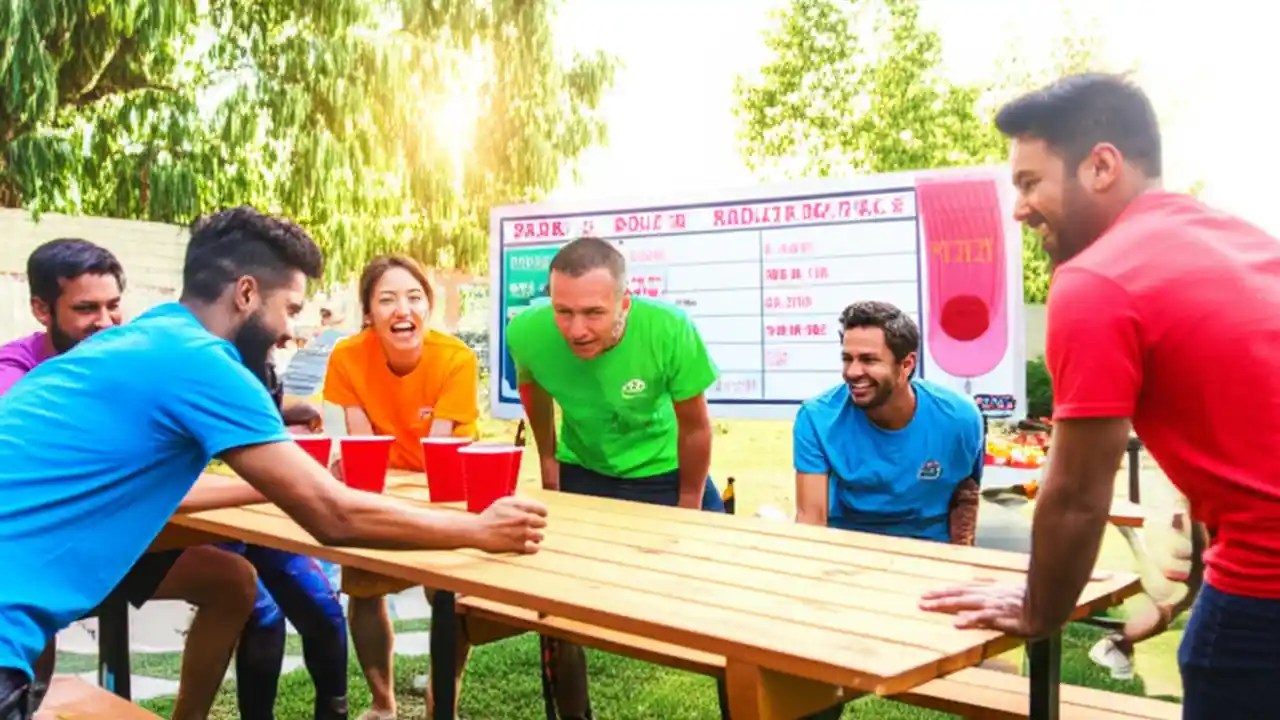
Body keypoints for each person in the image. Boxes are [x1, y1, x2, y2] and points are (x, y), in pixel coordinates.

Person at [0, 207, 548, 720]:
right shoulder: (202, 362)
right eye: (289, 308)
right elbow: (331, 515)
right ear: (246, 294)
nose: (290, 330)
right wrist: (479, 529)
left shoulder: (136, 342)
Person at [917, 73, 1280, 719]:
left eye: (1030, 182)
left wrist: (1038, 608)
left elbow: (1079, 494)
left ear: (1102, 166)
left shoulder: (1098, 278)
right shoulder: (1244, 242)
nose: (1019, 208)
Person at [0, 238, 264, 719]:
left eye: (113, 305)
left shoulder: (130, 355)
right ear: (41, 309)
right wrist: (276, 486)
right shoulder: (17, 374)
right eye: (85, 308)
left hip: (113, 546)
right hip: (47, 554)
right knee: (33, 601)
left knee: (232, 579)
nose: (103, 320)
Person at [509, 236, 719, 720]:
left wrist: (689, 507)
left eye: (593, 314)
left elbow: (695, 425)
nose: (576, 329)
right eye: (563, 311)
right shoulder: (528, 332)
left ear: (625, 302)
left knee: (722, 605)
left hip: (666, 473)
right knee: (557, 609)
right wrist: (548, 460)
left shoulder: (669, 328)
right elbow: (532, 388)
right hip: (584, 471)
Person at [792, 300, 982, 720]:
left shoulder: (960, 417)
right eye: (846, 358)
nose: (852, 372)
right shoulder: (817, 417)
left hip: (927, 563)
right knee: (778, 665)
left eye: (868, 359)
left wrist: (963, 565)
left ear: (906, 364)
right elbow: (811, 522)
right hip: (846, 562)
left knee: (1000, 668)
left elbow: (965, 497)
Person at [321, 254, 481, 720]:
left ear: (428, 308)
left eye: (414, 298)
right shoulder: (348, 356)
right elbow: (361, 446)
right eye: (387, 300)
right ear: (369, 313)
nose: (402, 310)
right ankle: (382, 703)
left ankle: (441, 695)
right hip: (383, 485)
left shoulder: (456, 358)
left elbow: (440, 450)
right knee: (365, 588)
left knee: (446, 595)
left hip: (445, 484)